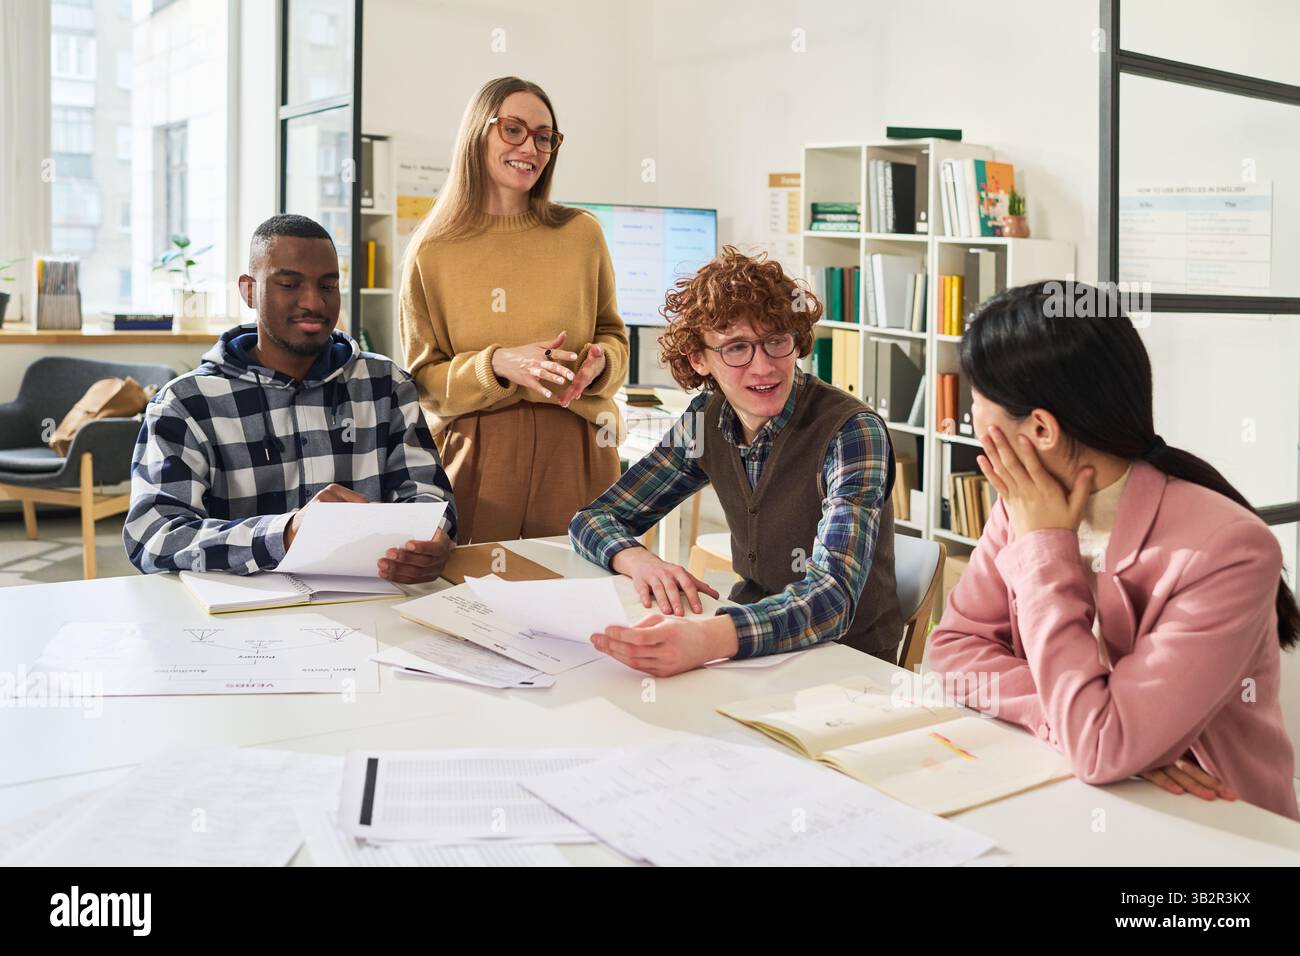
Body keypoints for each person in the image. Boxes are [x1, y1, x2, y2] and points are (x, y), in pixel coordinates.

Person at [928, 281, 1299, 820]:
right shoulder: (1022, 504)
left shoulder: (1230, 550)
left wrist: (1043, 550)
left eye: (978, 403)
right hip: (1073, 796)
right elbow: (954, 650)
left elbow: (1102, 748)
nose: (971, 418)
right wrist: (1076, 722)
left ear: (1040, 428)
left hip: (1218, 827)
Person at [571, 246, 903, 676]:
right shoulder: (706, 418)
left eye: (776, 341)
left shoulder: (852, 432)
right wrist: (639, 560)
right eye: (737, 348)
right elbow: (593, 519)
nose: (763, 367)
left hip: (846, 666)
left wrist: (709, 638)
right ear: (698, 358)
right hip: (749, 649)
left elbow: (831, 600)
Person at [124, 213, 456, 583]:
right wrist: (284, 534)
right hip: (239, 623)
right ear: (249, 290)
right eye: (289, 284)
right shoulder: (186, 403)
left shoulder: (386, 384)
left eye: (328, 286)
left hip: (370, 608)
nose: (313, 302)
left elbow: (429, 499)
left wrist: (432, 541)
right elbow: (153, 537)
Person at [400, 76, 628, 543]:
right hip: (480, 455)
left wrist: (600, 365)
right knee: (472, 601)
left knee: (584, 601)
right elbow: (422, 381)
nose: (531, 147)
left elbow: (612, 334)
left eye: (545, 137)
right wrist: (498, 364)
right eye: (513, 129)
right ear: (477, 133)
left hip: (580, 447)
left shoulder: (582, 234)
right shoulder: (432, 249)